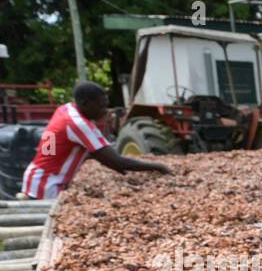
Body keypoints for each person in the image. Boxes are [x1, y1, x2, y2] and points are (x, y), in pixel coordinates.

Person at [18, 81, 171, 200]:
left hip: (37, 175)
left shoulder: (66, 109)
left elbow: (101, 156)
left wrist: (122, 171)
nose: (105, 110)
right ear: (85, 103)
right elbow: (116, 160)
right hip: (46, 185)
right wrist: (158, 167)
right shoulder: (79, 125)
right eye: (101, 106)